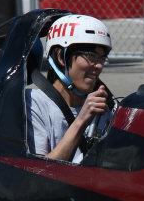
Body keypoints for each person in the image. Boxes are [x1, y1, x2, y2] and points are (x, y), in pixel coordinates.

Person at [26, 15, 114, 164]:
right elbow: (39, 174)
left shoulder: (105, 106)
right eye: (91, 56)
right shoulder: (34, 103)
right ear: (61, 57)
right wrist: (81, 121)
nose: (98, 66)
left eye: (102, 58)